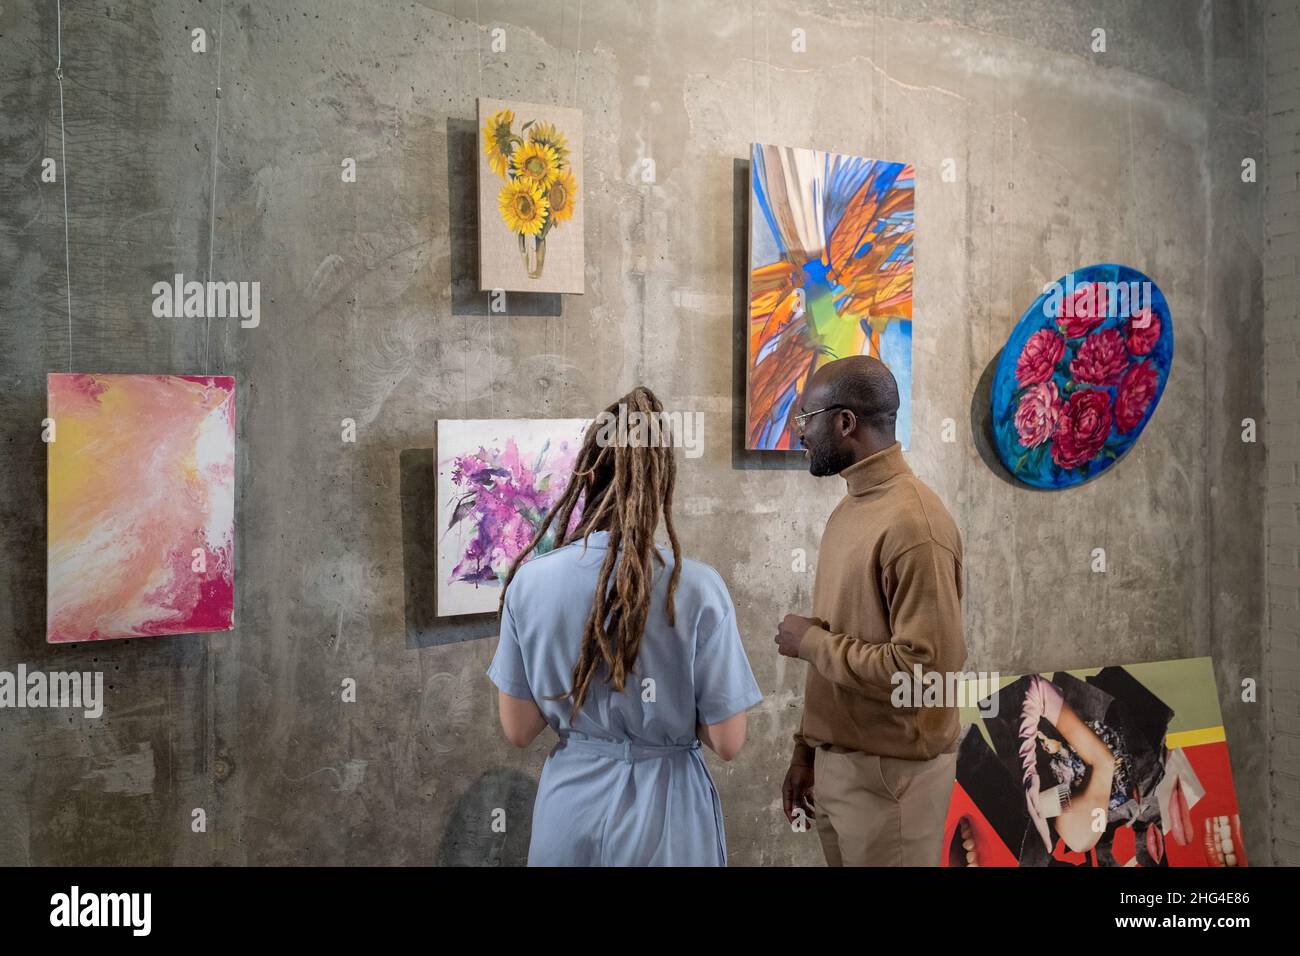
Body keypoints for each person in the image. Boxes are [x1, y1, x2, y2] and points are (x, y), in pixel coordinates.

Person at [487, 386, 764, 866]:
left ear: (588, 474)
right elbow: (728, 741)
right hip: (668, 819)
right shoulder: (696, 589)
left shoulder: (529, 583)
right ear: (661, 481)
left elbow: (519, 729)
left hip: (569, 812)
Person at [775, 355, 967, 866]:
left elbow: (925, 673)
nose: (799, 436)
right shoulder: (851, 509)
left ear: (844, 422)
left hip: (893, 779)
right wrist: (807, 749)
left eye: (804, 421)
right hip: (841, 767)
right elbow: (844, 642)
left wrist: (810, 642)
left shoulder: (914, 526)